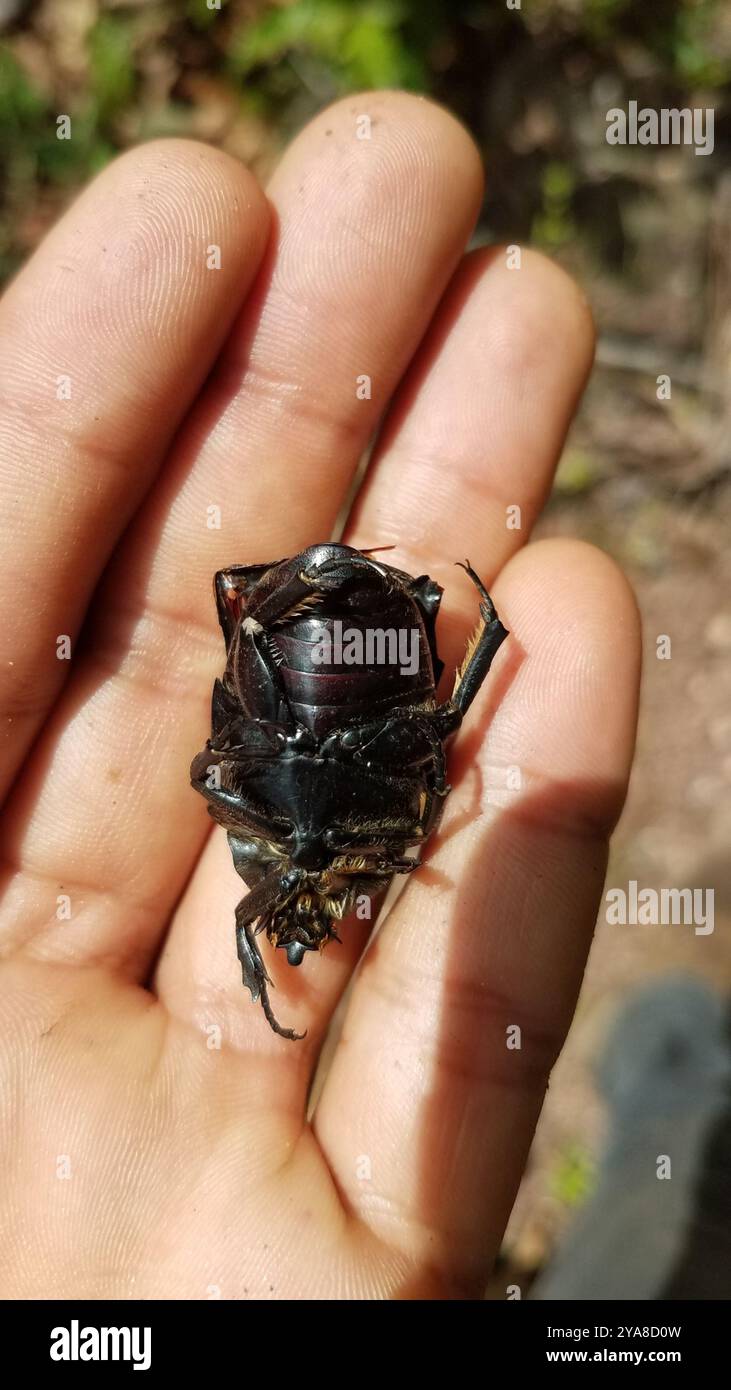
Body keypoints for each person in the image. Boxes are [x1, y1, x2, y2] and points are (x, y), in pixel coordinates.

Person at [0, 91, 640, 1300]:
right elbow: (402, 774)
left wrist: (285, 804)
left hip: (304, 673)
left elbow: (228, 783)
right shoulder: (367, 848)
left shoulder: (262, 846)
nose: (295, 925)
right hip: (356, 675)